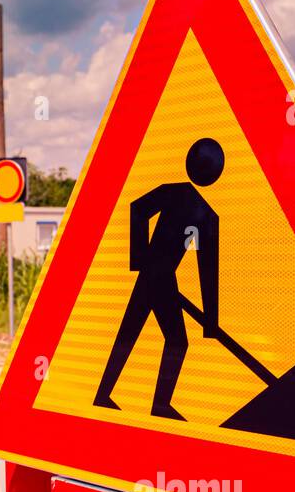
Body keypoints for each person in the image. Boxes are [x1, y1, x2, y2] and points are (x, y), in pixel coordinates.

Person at [93, 137, 224, 420]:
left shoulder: (180, 197)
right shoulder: (205, 214)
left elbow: (207, 266)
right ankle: (159, 406)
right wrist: (210, 321)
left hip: (155, 275)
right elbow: (207, 268)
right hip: (161, 278)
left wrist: (143, 262)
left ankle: (104, 395)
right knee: (176, 341)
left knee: (129, 333)